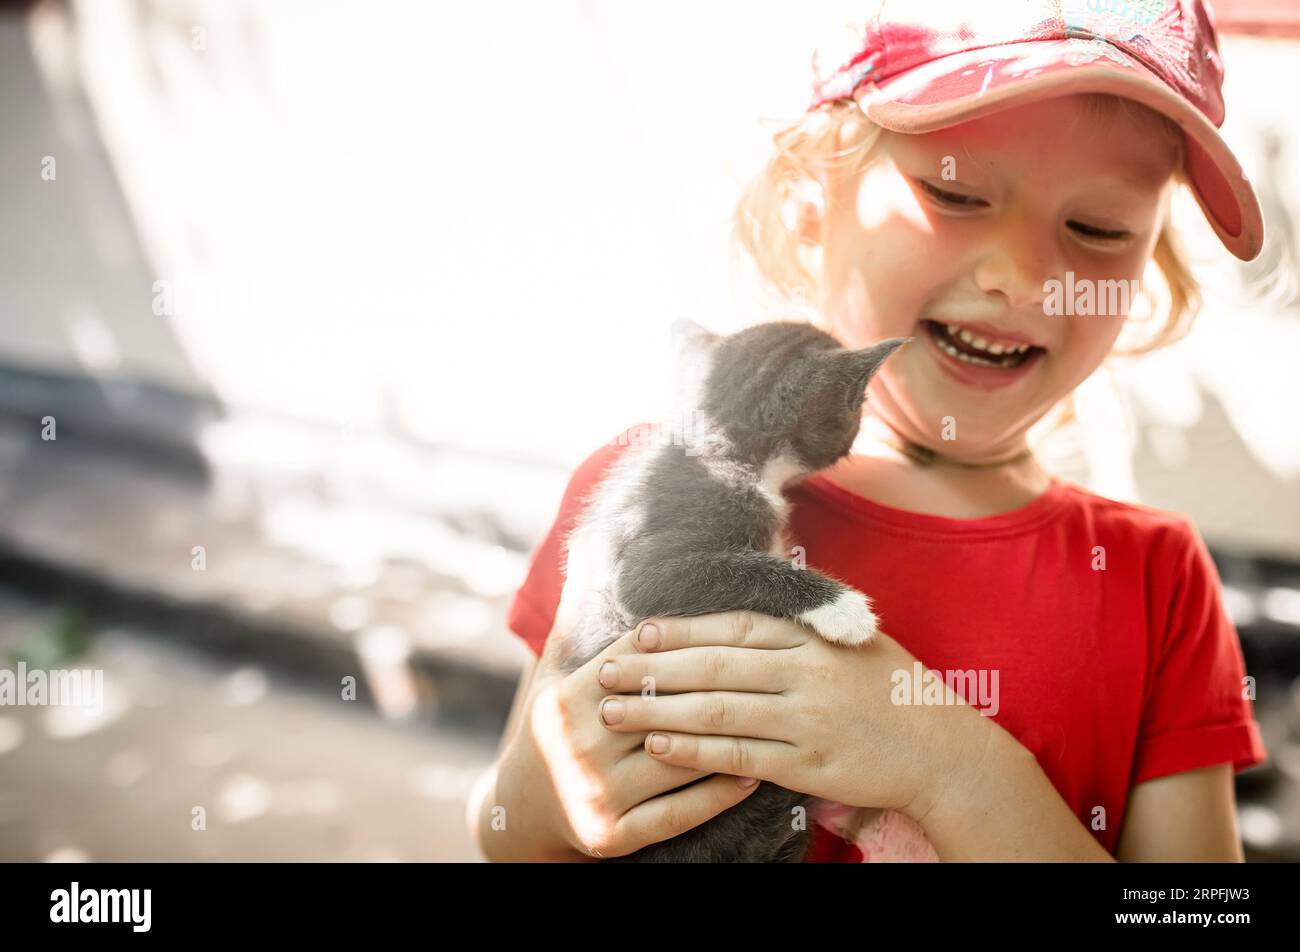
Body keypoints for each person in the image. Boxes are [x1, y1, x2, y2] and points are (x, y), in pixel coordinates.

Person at [468, 0, 1268, 861]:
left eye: (1097, 229)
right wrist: (534, 798)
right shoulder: (643, 484)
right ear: (811, 204)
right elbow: (508, 827)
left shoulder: (1159, 580)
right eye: (955, 193)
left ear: (1150, 270)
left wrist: (949, 769)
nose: (1024, 277)